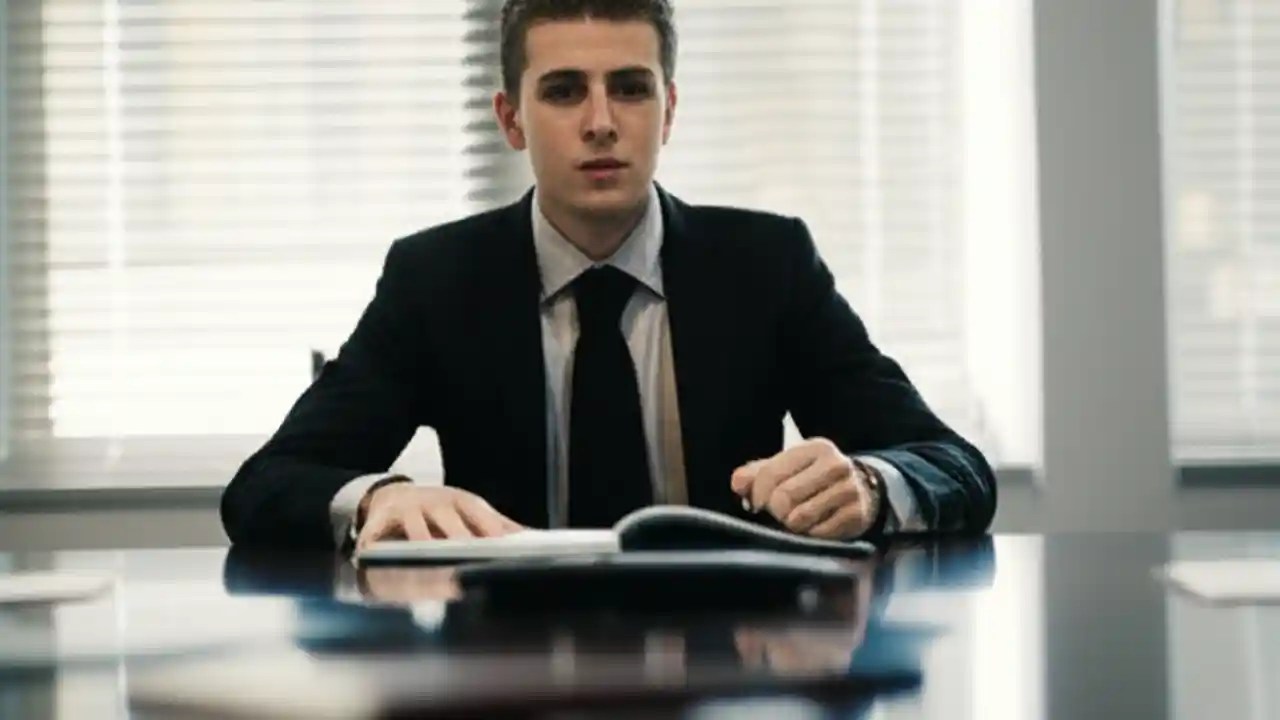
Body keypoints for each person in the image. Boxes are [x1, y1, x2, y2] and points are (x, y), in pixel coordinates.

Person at [220, 0, 997, 551]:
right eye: (564, 91)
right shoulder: (437, 279)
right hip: (502, 668)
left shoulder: (768, 265)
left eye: (630, 87)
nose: (600, 121)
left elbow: (953, 464)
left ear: (670, 109)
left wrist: (867, 483)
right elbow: (267, 484)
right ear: (511, 120)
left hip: (729, 663)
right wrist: (379, 499)